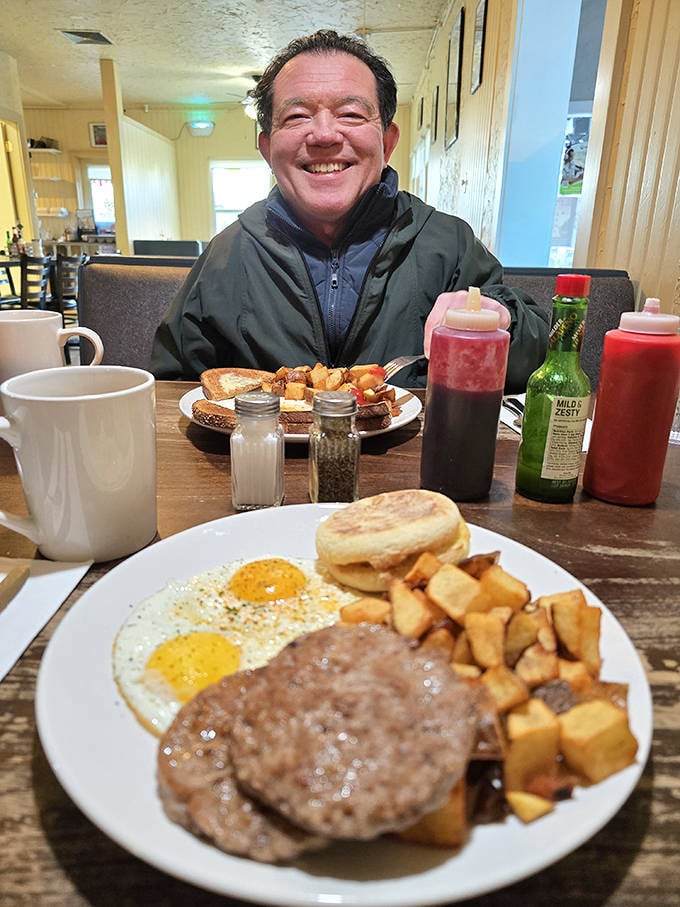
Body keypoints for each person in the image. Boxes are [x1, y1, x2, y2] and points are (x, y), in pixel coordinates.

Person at [151, 30, 548, 390]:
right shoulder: (226, 254)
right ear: (268, 150)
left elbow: (534, 363)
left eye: (351, 114)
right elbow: (172, 387)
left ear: (387, 143)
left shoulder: (449, 243)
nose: (324, 134)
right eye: (297, 116)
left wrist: (498, 321)